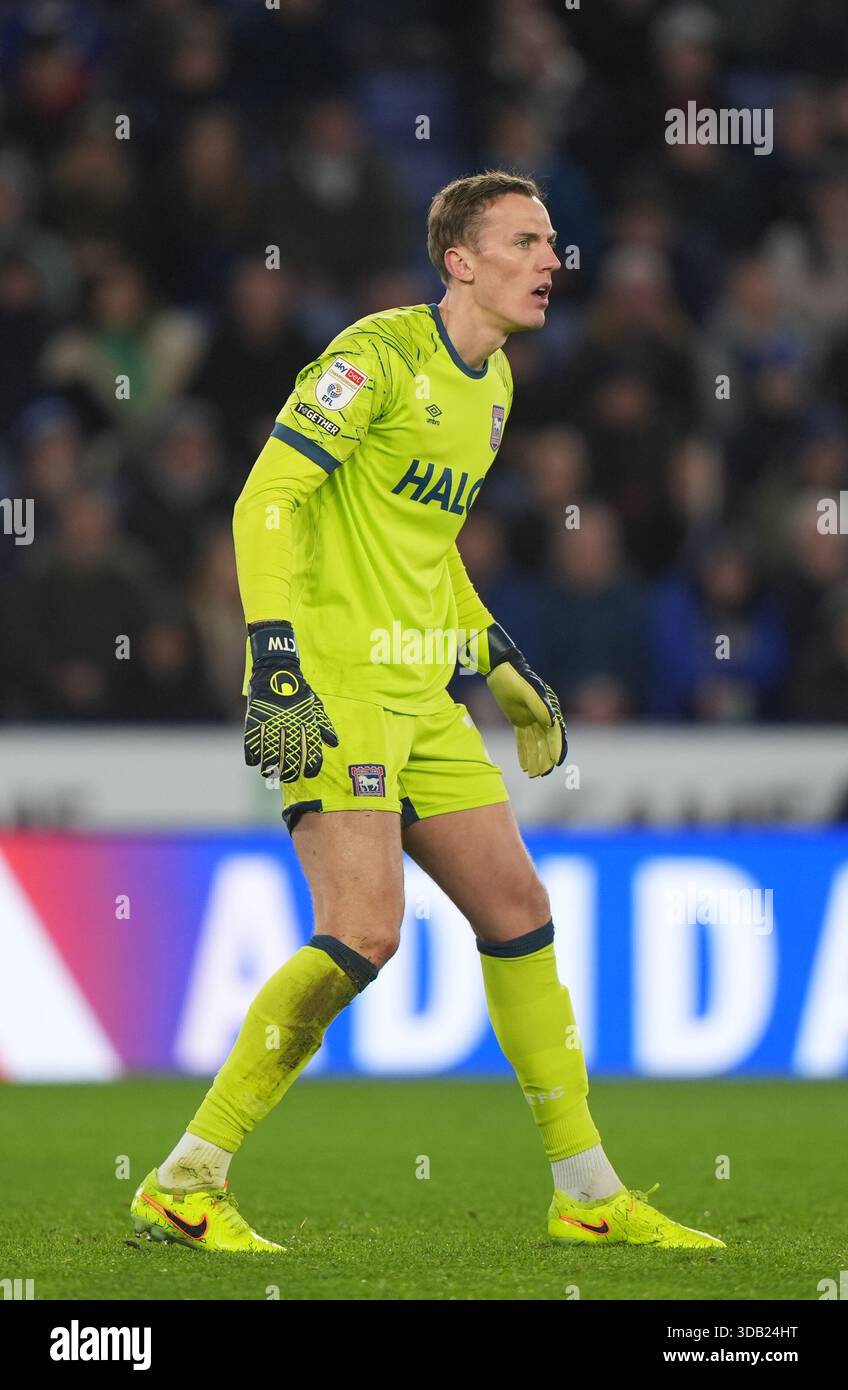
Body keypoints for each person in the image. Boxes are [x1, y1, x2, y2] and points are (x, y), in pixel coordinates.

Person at [130, 171, 724, 1252]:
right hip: (335, 679)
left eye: (552, 239)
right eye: (526, 241)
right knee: (362, 928)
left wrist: (494, 656)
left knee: (517, 910)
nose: (553, 259)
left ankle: (586, 1192)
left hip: (422, 689)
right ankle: (187, 1177)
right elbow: (265, 496)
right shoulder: (375, 359)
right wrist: (273, 654)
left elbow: (425, 545)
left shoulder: (492, 386)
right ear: (460, 260)